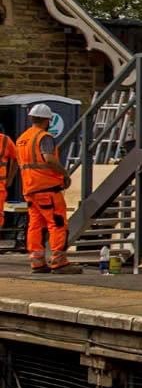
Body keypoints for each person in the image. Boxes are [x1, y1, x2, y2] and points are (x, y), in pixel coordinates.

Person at [17, 103, 80, 274]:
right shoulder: (43, 137)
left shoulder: (22, 138)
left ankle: (37, 262)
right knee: (57, 223)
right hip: (47, 188)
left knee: (35, 225)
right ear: (47, 120)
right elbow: (49, 159)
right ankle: (59, 261)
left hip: (30, 189)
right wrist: (65, 174)